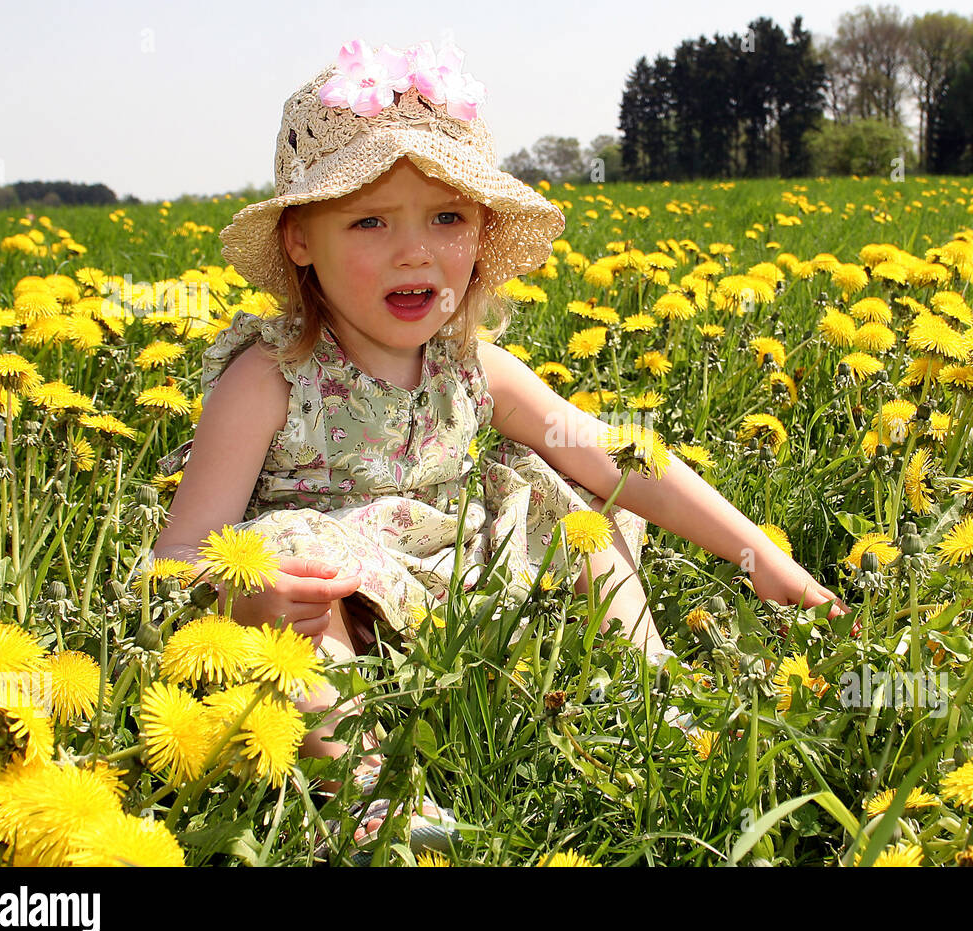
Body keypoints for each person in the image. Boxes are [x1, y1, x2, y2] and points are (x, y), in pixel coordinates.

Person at [151, 38, 852, 861]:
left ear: (482, 234)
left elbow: (626, 462)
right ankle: (368, 793)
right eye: (370, 220)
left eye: (446, 217)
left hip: (460, 591)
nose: (415, 250)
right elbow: (178, 558)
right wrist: (252, 595)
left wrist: (772, 566)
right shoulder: (268, 380)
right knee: (288, 557)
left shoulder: (474, 366)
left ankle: (653, 703)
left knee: (569, 504)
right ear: (301, 239)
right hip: (329, 603)